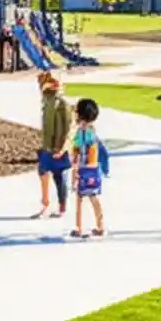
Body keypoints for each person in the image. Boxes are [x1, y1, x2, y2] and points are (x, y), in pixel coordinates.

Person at [35, 72, 72, 219]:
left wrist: (62, 146)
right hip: (47, 146)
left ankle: (62, 206)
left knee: (59, 177)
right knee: (43, 171)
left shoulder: (62, 104)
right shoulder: (46, 100)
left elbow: (68, 127)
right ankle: (45, 203)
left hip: (58, 147)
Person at [70, 98, 106, 238]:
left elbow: (77, 149)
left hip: (84, 168)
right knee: (93, 197)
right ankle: (100, 225)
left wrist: (75, 163)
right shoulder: (92, 131)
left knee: (80, 198)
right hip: (93, 169)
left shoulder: (82, 132)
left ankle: (79, 228)